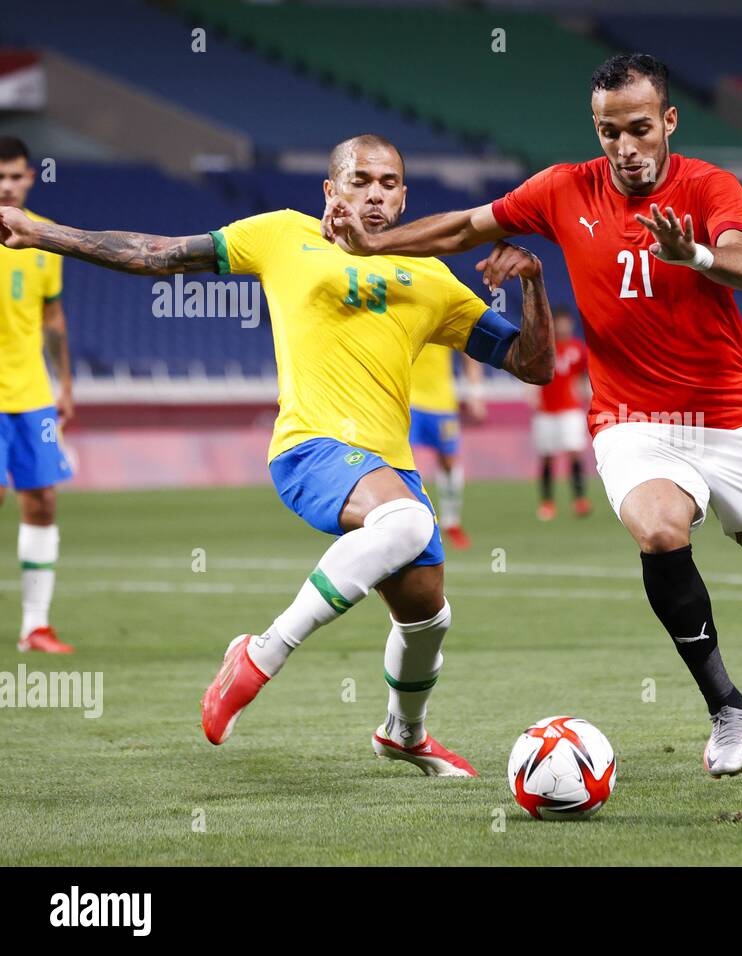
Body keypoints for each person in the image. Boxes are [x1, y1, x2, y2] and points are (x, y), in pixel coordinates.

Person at [324, 56, 742, 784]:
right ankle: (726, 706)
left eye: (639, 128)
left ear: (668, 121)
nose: (625, 147)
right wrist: (375, 242)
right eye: (610, 132)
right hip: (632, 417)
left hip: (730, 415)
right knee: (659, 529)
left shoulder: (707, 186)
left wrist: (690, 253)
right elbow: (465, 229)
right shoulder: (564, 187)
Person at [0, 134, 555, 774]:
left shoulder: (429, 277)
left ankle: (403, 733)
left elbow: (532, 365)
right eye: (360, 180)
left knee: (429, 616)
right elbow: (157, 255)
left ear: (404, 197)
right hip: (310, 447)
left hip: (389, 468)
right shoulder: (282, 235)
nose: (374, 194)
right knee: (408, 523)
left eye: (389, 183)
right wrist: (45, 233)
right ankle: (261, 655)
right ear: (331, 190)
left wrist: (535, 284)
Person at [0, 136, 75, 654]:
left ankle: (35, 626)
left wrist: (65, 382)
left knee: (42, 500)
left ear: (30, 177)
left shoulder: (42, 237)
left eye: (16, 176)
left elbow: (51, 315)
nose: (8, 185)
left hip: (31, 393)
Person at [410, 343, 482, 549]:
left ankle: (452, 521)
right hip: (408, 400)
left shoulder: (443, 315)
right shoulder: (399, 312)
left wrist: (476, 393)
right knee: (404, 461)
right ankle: (413, 522)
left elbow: (470, 352)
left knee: (449, 462)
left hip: (442, 403)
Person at [533, 306, 591, 521]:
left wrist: (589, 397)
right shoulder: (544, 348)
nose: (562, 326)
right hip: (546, 412)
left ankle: (580, 500)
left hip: (570, 410)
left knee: (574, 452)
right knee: (547, 457)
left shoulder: (578, 348)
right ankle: (547, 503)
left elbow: (584, 376)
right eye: (558, 323)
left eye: (565, 323)